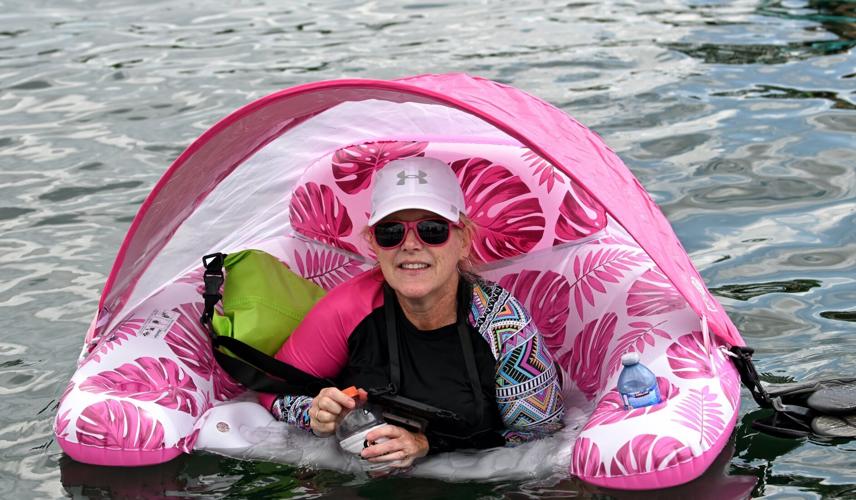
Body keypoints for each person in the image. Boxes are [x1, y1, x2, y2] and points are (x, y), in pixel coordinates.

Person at [265, 157, 564, 470]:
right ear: (373, 244)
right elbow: (269, 390)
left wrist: (429, 445)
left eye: (432, 230)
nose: (409, 244)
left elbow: (541, 439)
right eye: (390, 232)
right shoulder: (347, 309)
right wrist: (314, 413)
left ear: (463, 240)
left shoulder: (504, 326)